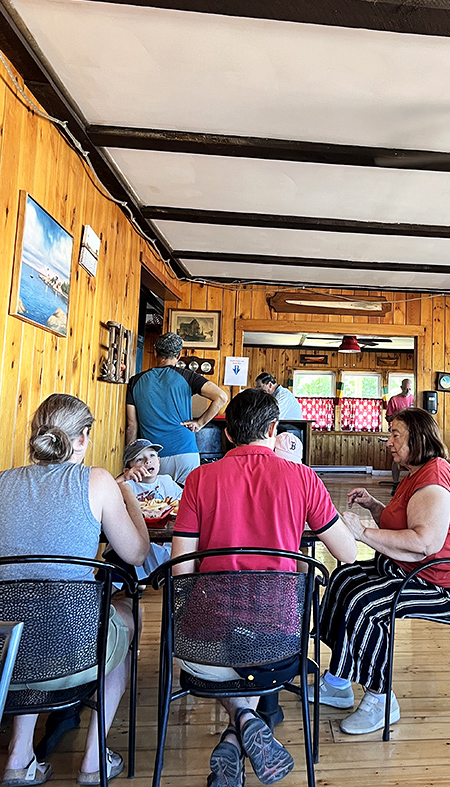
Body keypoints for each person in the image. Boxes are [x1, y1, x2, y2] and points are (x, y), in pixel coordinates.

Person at [171, 388, 356, 787]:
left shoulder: (199, 479)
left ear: (228, 434)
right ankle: (245, 723)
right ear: (274, 429)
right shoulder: (303, 478)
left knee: (228, 652)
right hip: (279, 642)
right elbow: (347, 553)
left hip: (205, 649)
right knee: (253, 655)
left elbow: (180, 572)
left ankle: (239, 724)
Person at [0, 394, 149, 786]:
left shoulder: (2, 482)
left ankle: (19, 756)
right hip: (73, 645)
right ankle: (94, 760)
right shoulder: (97, 481)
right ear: (83, 438)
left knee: (30, 622)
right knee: (128, 616)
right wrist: (129, 499)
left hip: (7, 647)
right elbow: (136, 553)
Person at [314, 408, 450, 736]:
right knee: (342, 579)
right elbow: (403, 521)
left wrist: (362, 533)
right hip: (409, 571)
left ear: (418, 438)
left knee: (365, 604)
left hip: (442, 587)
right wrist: (374, 506)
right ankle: (338, 681)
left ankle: (381, 699)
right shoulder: (415, 472)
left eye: (395, 434)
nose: (388, 442)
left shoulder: (436, 476)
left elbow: (424, 543)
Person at [125, 332, 228, 484]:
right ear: (178, 356)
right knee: (186, 498)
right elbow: (221, 397)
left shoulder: (135, 381)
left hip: (153, 457)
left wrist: (129, 459)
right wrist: (200, 423)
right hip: (186, 452)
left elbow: (131, 426)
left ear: (155, 353)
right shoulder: (187, 376)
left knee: (152, 498)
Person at [115, 439, 184, 581]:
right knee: (117, 563)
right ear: (128, 470)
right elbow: (106, 493)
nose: (148, 461)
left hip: (167, 544)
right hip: (134, 543)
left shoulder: (167, 481)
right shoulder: (126, 486)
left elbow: (184, 504)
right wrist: (123, 478)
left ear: (158, 461)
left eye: (152, 455)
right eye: (139, 459)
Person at [384, 379, 414, 491]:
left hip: (412, 432)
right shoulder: (394, 399)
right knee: (397, 457)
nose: (407, 391)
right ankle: (395, 483)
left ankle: (411, 484)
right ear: (401, 387)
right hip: (398, 433)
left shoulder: (414, 399)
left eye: (409, 389)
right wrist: (399, 414)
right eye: (405, 388)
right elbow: (388, 418)